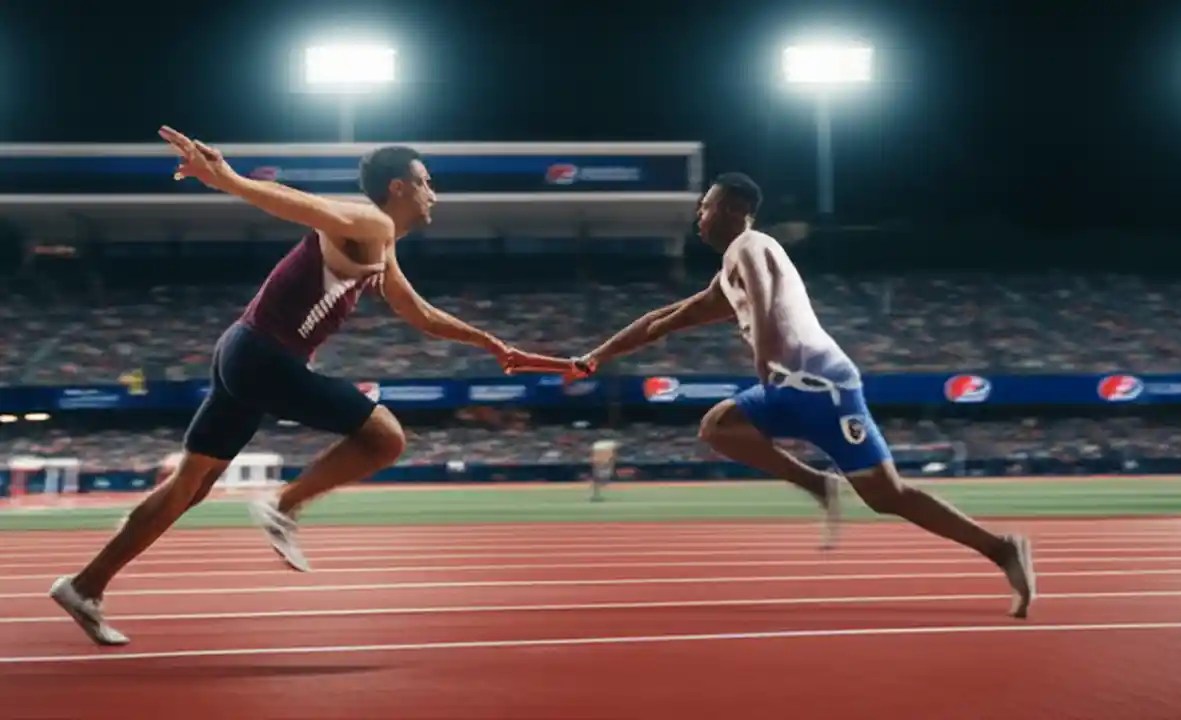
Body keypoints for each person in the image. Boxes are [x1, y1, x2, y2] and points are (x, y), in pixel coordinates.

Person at [49, 126, 534, 645]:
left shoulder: (380, 244)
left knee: (188, 488)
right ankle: (282, 505)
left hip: (244, 352)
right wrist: (228, 179)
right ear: (397, 187)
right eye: (424, 181)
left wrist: (490, 343)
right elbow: (302, 206)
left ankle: (85, 585)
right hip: (263, 355)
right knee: (385, 437)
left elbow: (419, 312)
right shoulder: (368, 219)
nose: (432, 192)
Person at [523, 172, 1036, 619]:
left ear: (730, 210)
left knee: (888, 497)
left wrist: (765, 363)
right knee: (719, 427)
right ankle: (818, 483)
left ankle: (1002, 549)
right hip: (785, 387)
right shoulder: (727, 274)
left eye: (704, 205)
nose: (698, 216)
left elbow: (766, 301)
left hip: (822, 387)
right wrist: (595, 356)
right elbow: (661, 321)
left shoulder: (753, 246)